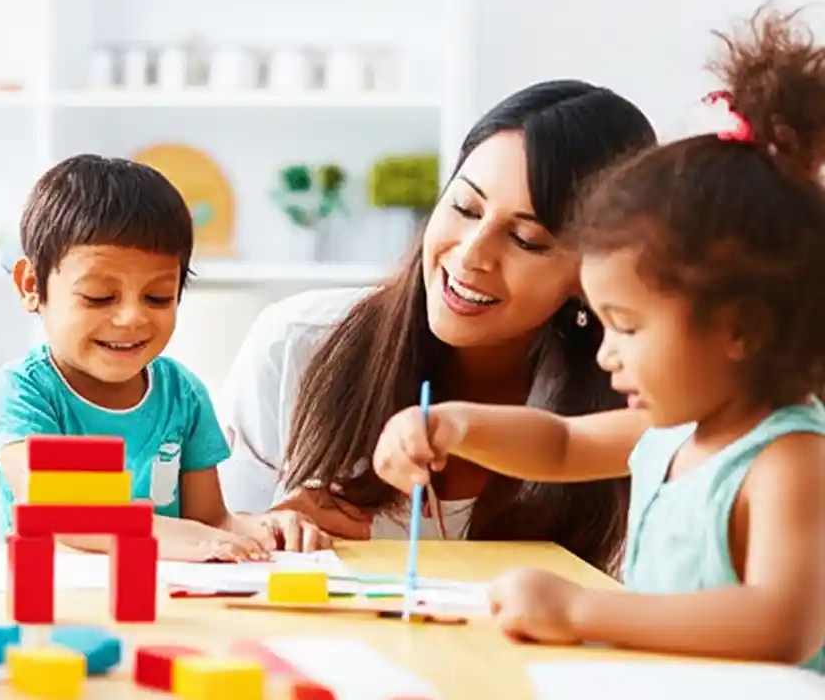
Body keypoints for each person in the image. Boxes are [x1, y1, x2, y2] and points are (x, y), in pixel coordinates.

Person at [372, 6, 825, 668]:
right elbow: (560, 443)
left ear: (741, 329)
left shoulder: (788, 459)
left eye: (628, 326)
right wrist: (454, 425)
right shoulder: (672, 433)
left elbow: (779, 622)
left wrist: (581, 608)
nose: (606, 352)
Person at [217, 80, 657, 573]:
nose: (471, 255)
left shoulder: (629, 402)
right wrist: (267, 531)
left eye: (527, 239)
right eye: (465, 208)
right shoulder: (296, 343)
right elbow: (216, 545)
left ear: (593, 272)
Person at [0, 154, 331, 562]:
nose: (132, 318)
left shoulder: (183, 394)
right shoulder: (21, 392)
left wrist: (267, 526)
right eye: (99, 297)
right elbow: (61, 511)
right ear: (31, 286)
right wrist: (186, 539)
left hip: (168, 602)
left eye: (158, 297)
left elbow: (211, 521)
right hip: (59, 602)